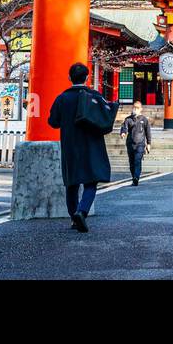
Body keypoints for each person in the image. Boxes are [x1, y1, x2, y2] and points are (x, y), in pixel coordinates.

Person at [47, 62, 117, 233]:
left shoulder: (62, 98)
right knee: (91, 182)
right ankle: (82, 211)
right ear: (87, 78)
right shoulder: (95, 96)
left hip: (70, 146)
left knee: (72, 184)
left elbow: (53, 122)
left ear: (69, 78)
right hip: (92, 145)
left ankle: (73, 217)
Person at [119, 100, 154, 185]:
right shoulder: (128, 119)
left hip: (140, 144)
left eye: (137, 108)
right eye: (134, 107)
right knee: (131, 163)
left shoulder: (144, 120)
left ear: (141, 109)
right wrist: (123, 133)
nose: (135, 109)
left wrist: (148, 144)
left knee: (137, 161)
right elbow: (124, 127)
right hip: (130, 144)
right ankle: (133, 177)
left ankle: (136, 177)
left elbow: (148, 132)